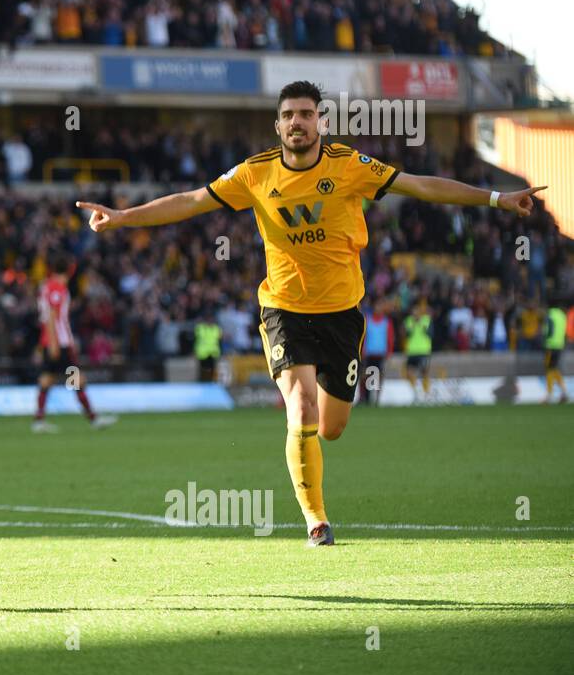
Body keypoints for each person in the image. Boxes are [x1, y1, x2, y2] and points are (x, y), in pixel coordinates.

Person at [76, 80, 545, 547]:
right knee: (299, 409)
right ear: (277, 124)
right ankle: (316, 520)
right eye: (288, 115)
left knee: (331, 428)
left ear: (320, 120)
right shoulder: (254, 173)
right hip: (284, 308)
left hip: (342, 313)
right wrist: (123, 217)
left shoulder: (350, 165)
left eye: (305, 113)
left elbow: (419, 185)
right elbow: (192, 201)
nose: (296, 122)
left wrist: (495, 199)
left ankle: (316, 455)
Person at [31, 253, 115, 432]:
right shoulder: (57, 288)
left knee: (47, 379)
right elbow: (52, 317)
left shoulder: (47, 286)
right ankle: (93, 419)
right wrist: (55, 343)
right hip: (58, 343)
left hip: (51, 341)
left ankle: (39, 420)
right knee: (76, 379)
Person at [361, 299, 395, 405]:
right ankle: (365, 398)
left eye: (380, 306)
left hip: (380, 354)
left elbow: (390, 338)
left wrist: (389, 352)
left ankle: (377, 400)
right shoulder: (368, 320)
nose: (378, 309)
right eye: (377, 306)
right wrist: (362, 350)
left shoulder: (386, 322)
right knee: (365, 376)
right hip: (369, 354)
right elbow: (364, 337)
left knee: (379, 377)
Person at [403, 298, 434, 402]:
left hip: (424, 351)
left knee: (424, 372)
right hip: (412, 351)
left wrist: (421, 323)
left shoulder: (427, 320)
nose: (415, 313)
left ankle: (427, 394)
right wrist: (415, 324)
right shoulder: (408, 321)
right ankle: (416, 391)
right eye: (413, 311)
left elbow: (431, 334)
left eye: (417, 310)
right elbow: (408, 334)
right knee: (408, 373)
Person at [544, 303, 568, 404]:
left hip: (551, 345)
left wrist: (545, 339)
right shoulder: (562, 316)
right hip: (560, 345)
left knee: (549, 369)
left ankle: (550, 395)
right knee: (554, 368)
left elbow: (549, 331)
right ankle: (564, 392)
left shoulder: (551, 315)